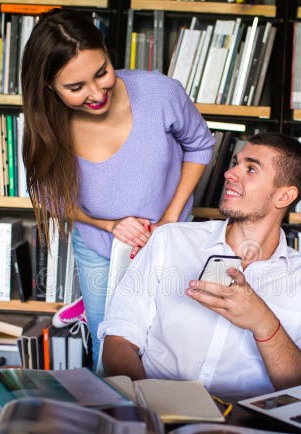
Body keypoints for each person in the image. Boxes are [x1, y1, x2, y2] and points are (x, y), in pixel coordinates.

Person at [20, 9, 215, 364]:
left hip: (167, 240)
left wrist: (171, 219)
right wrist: (109, 225)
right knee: (108, 347)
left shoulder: (159, 92)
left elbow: (200, 145)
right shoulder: (48, 124)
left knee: (166, 348)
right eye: (76, 87)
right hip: (98, 246)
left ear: (108, 53)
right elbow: (49, 195)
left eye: (102, 73)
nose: (96, 93)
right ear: (49, 85)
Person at [99, 132, 301, 400]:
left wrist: (263, 323)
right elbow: (118, 340)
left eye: (250, 169)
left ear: (283, 196)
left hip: (246, 427)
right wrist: (144, 405)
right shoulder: (169, 240)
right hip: (156, 414)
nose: (229, 174)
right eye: (235, 163)